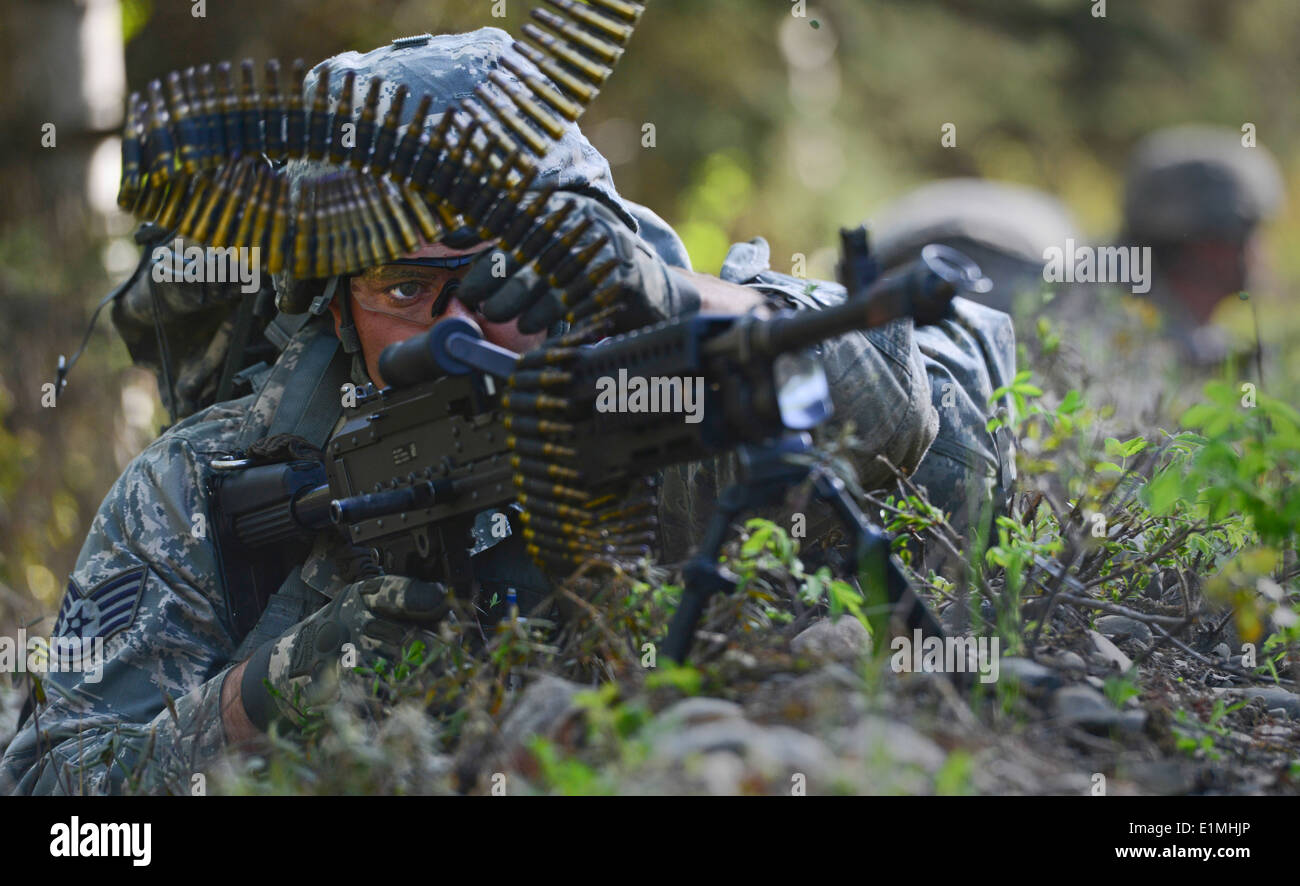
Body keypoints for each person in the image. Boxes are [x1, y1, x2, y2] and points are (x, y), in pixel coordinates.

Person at [1, 29, 1006, 793]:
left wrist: (674, 298)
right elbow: (56, 796)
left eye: (509, 271)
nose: (459, 325)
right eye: (403, 288)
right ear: (334, 306)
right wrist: (257, 701)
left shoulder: (666, 384)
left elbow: (893, 419)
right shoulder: (206, 481)